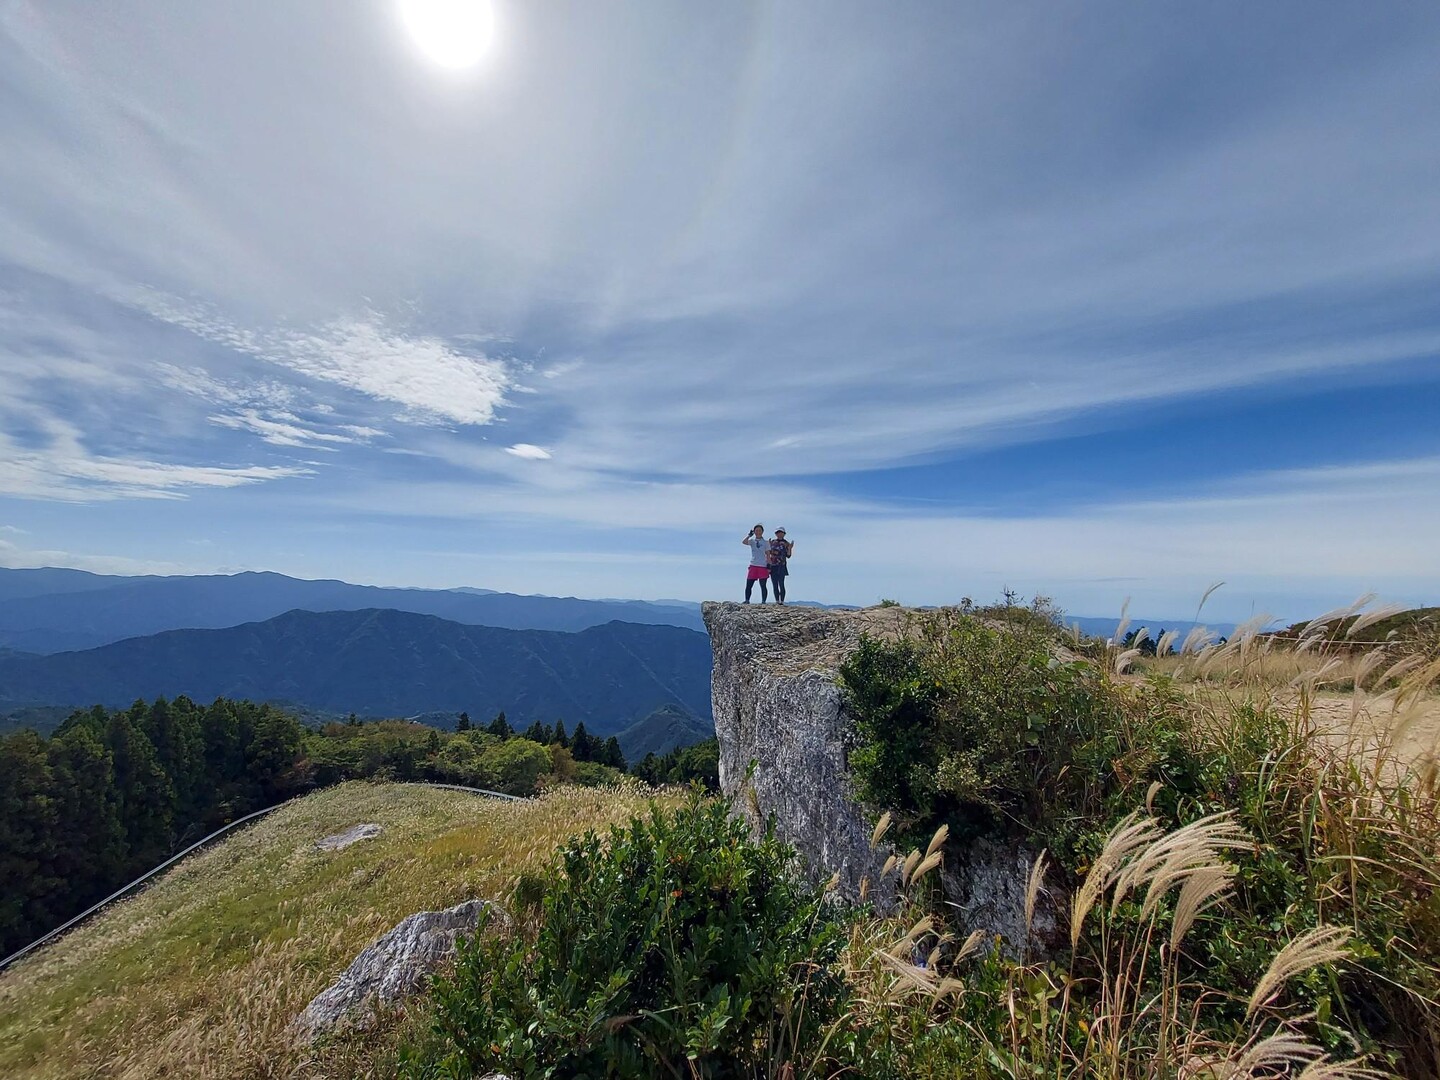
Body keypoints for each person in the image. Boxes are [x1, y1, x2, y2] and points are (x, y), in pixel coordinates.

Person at [742, 524, 770, 603]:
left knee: (763, 585)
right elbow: (744, 542)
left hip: (763, 566)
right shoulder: (752, 541)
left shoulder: (766, 542)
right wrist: (749, 535)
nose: (758, 532)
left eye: (759, 530)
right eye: (756, 531)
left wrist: (769, 565)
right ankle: (747, 600)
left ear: (762, 532)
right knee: (749, 584)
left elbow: (768, 554)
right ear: (754, 532)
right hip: (753, 564)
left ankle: (763, 601)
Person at [767, 528, 794, 604]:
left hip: (782, 565)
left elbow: (788, 555)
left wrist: (790, 548)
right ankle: (777, 601)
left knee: (781, 583)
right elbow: (768, 553)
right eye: (778, 532)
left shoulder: (786, 543)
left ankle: (782, 601)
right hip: (773, 565)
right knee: (774, 584)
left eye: (781, 532)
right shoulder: (772, 542)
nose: (779, 534)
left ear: (784, 533)